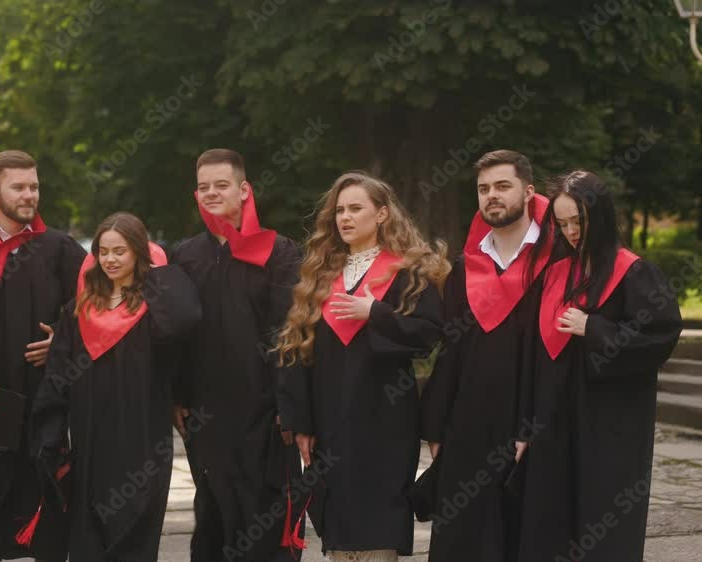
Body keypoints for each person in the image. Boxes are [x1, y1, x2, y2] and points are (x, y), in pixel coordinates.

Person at [277, 172, 448, 562]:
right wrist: (301, 420)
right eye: (340, 210)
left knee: (377, 513)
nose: (345, 217)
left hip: (385, 418)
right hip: (329, 415)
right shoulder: (320, 273)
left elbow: (429, 335)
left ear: (383, 213)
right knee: (337, 515)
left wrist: (377, 312)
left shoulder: (408, 270)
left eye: (356, 208)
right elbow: (297, 348)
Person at [517, 170, 682, 562]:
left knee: (602, 519)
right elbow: (533, 353)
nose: (571, 231)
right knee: (550, 518)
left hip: (610, 426)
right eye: (562, 223)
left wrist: (594, 326)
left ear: (601, 217)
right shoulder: (556, 274)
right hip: (555, 420)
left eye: (578, 221)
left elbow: (659, 338)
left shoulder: (634, 272)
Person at [32, 212, 201, 561]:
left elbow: (187, 318)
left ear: (140, 253)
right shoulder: (78, 311)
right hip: (90, 440)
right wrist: (52, 439)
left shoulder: (155, 309)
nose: (109, 259)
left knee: (135, 530)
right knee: (89, 532)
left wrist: (156, 270)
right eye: (103, 251)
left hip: (142, 439)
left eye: (120, 251)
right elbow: (56, 381)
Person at [0, 150, 86, 562]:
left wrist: (62, 340)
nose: (29, 195)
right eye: (18, 187)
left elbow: (94, 302)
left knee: (47, 503)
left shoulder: (56, 246)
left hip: (45, 401)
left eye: (34, 187)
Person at [169, 148, 303, 562]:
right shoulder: (185, 256)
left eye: (221, 185)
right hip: (207, 415)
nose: (211, 193)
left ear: (244, 190)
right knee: (214, 515)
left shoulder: (279, 252)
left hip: (265, 414)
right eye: (203, 187)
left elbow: (290, 332)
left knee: (266, 513)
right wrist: (178, 395)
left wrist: (290, 404)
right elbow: (175, 333)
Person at [420, 150, 552, 562]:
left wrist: (533, 425)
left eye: (502, 186)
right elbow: (452, 351)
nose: (491, 195)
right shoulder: (465, 267)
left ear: (528, 192)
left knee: (522, 535)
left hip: (533, 417)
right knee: (464, 534)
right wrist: (437, 426)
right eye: (483, 189)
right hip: (470, 423)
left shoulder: (555, 262)